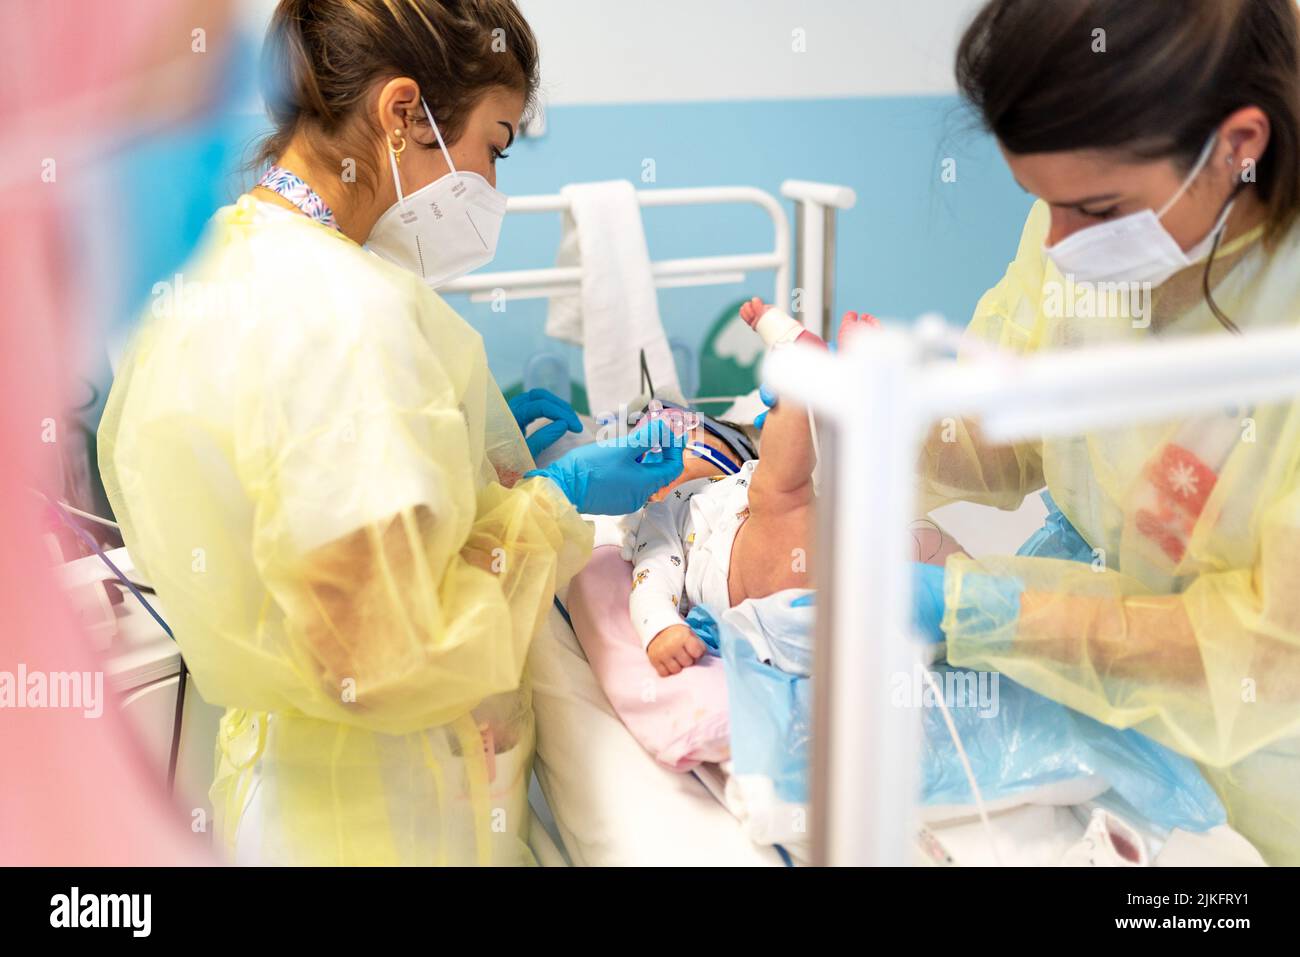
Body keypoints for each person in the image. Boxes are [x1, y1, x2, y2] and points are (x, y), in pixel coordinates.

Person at [97, 0, 681, 866]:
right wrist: (553, 501)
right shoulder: (347, 315)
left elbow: (292, 512)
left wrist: (454, 461)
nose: (491, 184)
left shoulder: (220, 257)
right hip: (379, 813)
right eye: (496, 142)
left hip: (283, 784)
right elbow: (379, 654)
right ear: (403, 112)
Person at [913, 0, 1300, 864]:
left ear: (1239, 144)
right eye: (1038, 202)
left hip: (1273, 779)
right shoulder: (1089, 223)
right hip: (1118, 737)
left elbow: (1269, 653)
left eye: (1091, 207)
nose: (1056, 244)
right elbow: (1015, 413)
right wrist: (879, 424)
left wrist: (975, 604)